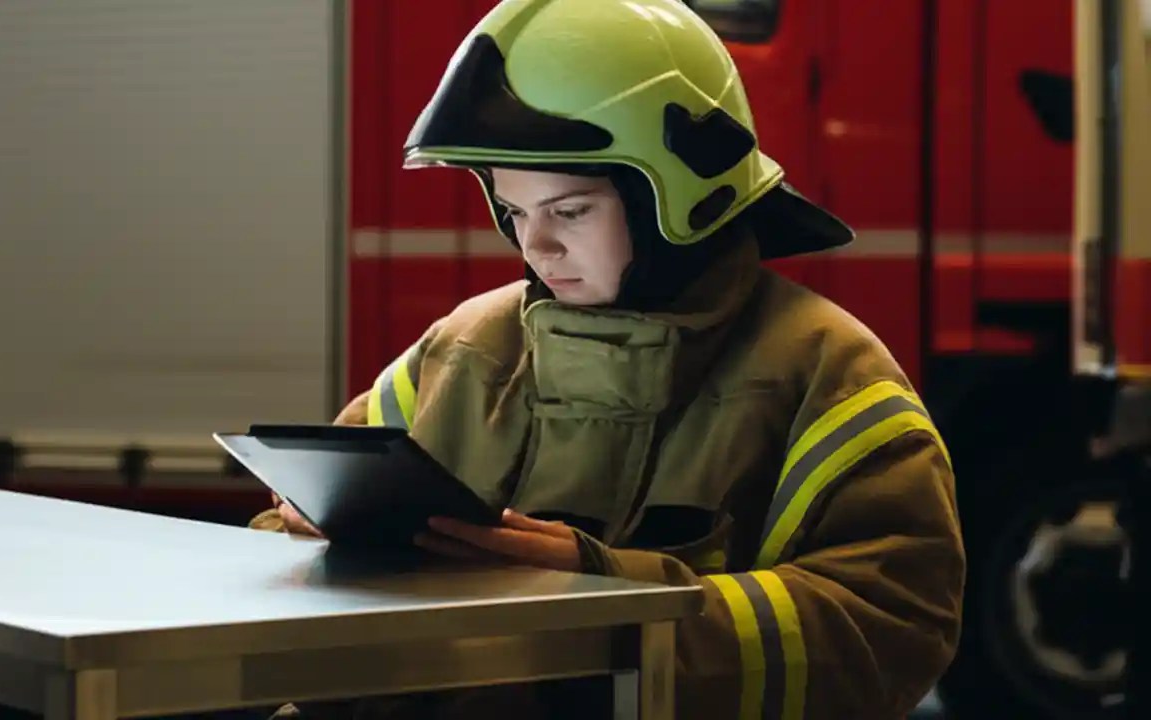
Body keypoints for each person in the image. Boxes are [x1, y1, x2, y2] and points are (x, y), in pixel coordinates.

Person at [250, 0, 965, 717]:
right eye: (516, 211)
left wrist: (597, 590)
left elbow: (888, 629)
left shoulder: (827, 372)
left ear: (679, 193)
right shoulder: (465, 348)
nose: (537, 247)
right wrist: (315, 543)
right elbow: (272, 558)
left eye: (569, 210)